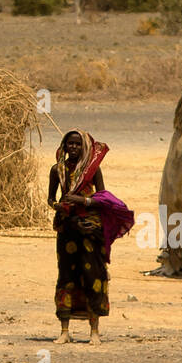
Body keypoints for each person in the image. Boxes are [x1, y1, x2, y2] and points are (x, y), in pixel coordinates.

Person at [47, 130, 134, 344]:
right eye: (70, 144)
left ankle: (94, 331)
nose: (74, 148)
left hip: (90, 229)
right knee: (66, 276)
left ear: (84, 147)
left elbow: (103, 200)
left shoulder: (93, 171)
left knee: (93, 275)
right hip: (67, 229)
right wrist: (59, 205)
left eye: (77, 144)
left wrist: (81, 201)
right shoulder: (56, 170)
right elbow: (50, 199)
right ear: (64, 146)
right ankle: (64, 331)